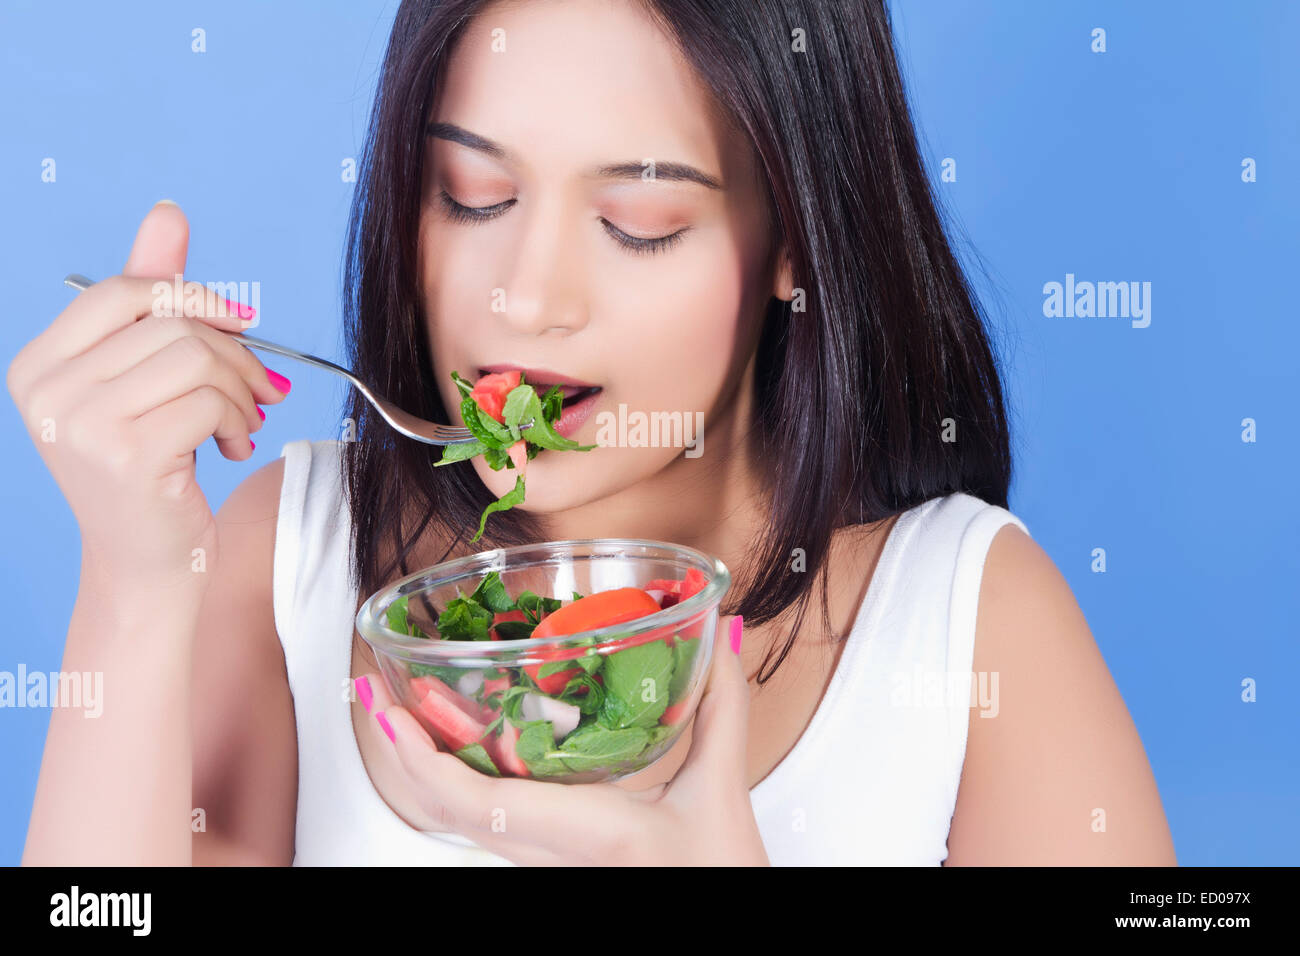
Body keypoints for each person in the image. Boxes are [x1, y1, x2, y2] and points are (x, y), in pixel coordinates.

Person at [11, 0, 1176, 866]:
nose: (528, 295)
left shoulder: (969, 619)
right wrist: (130, 582)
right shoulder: (291, 556)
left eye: (638, 221)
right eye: (473, 197)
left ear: (793, 246)